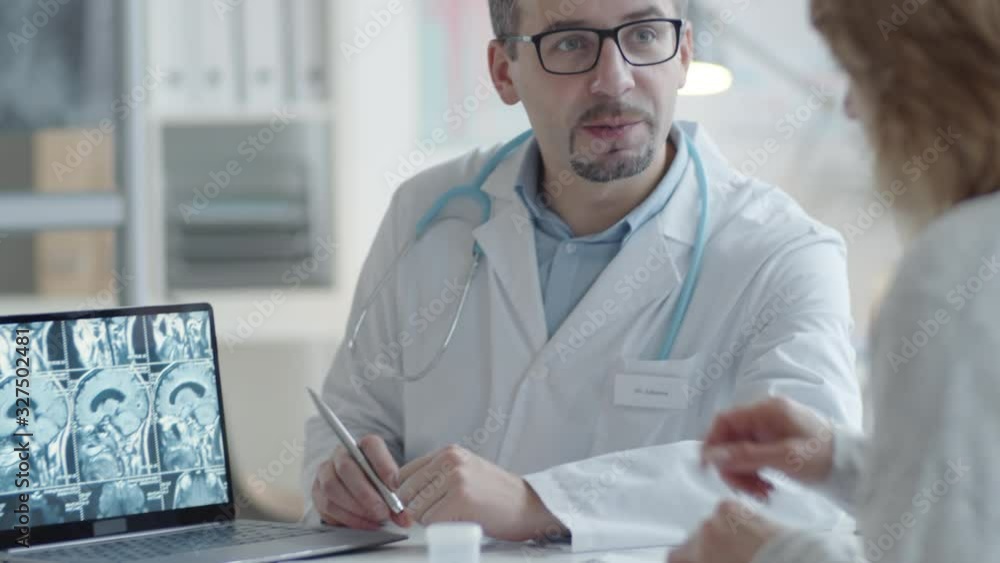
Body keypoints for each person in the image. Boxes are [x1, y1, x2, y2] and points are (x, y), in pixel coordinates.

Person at [303, 0, 864, 551]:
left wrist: (537, 503)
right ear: (504, 72)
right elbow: (349, 421)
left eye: (643, 35)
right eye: (570, 43)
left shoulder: (783, 252)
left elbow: (805, 480)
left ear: (684, 54)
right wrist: (340, 483)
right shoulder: (427, 212)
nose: (614, 80)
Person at [670, 0, 1000, 561]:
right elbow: (971, 500)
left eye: (856, 73)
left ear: (921, 81)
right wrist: (837, 460)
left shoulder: (955, 269)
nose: (848, 106)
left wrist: (767, 552)